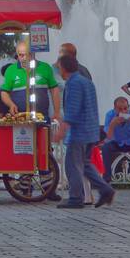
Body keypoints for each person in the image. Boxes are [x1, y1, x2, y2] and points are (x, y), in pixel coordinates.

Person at [54, 53, 114, 209]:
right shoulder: (87, 82)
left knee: (72, 165)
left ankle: (76, 198)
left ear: (65, 68)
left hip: (79, 132)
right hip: (91, 130)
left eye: (60, 67)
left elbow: (73, 109)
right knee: (85, 164)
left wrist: (62, 129)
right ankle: (105, 189)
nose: (59, 71)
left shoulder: (73, 84)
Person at [0, 40, 61, 121]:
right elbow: (4, 92)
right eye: (21, 55)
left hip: (42, 117)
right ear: (17, 55)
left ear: (32, 54)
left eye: (26, 55)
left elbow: (54, 90)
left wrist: (57, 112)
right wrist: (11, 104)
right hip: (19, 117)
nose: (24, 58)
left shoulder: (45, 68)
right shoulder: (11, 70)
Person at [101, 97, 130, 190]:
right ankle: (106, 181)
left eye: (125, 108)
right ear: (114, 108)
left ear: (128, 107)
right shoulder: (110, 115)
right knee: (106, 147)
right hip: (116, 143)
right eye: (120, 109)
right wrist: (112, 125)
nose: (123, 111)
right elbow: (107, 139)